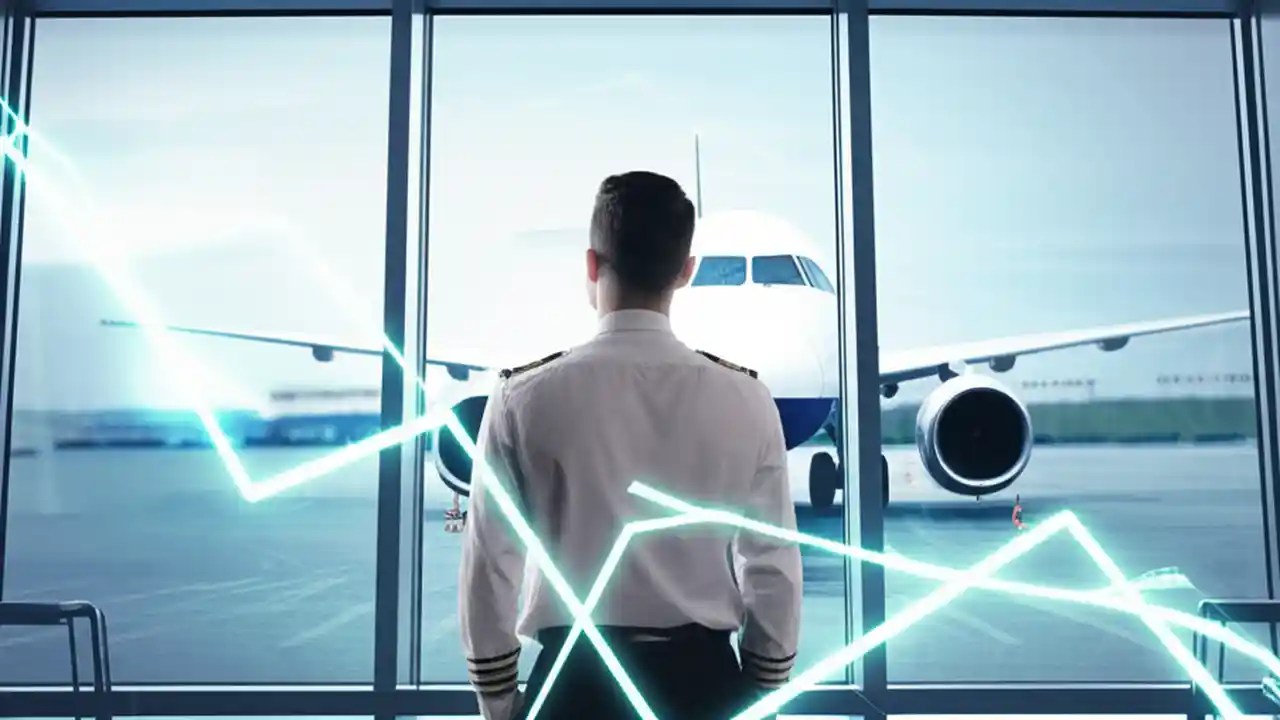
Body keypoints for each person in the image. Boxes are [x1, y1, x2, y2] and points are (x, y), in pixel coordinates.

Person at [458, 170, 803, 720]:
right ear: (685, 272)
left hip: (573, 688)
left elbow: (490, 570)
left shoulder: (521, 397)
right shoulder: (748, 399)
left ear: (592, 266)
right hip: (707, 687)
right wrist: (762, 690)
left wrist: (499, 702)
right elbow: (772, 568)